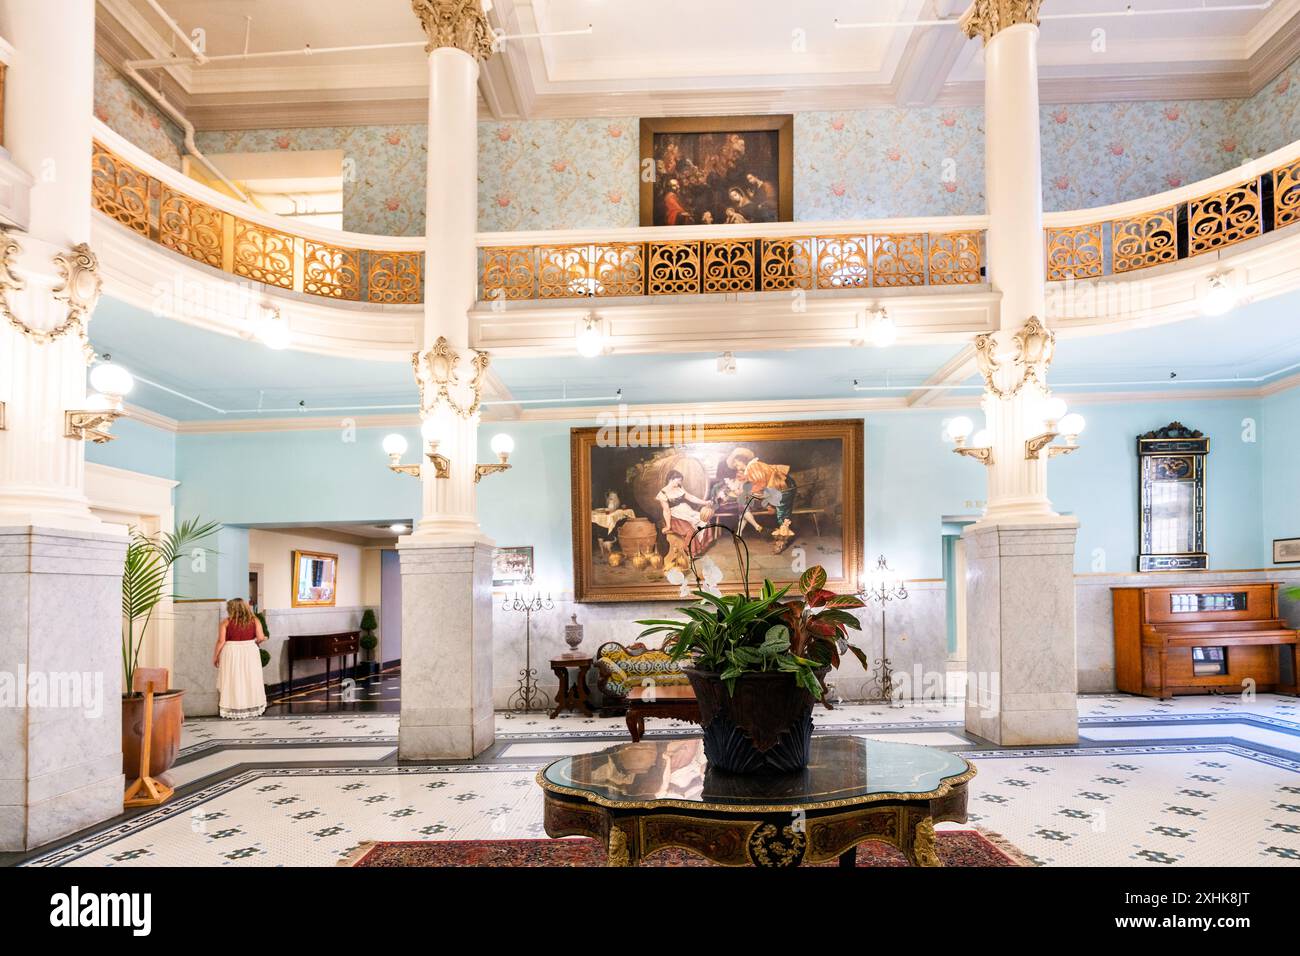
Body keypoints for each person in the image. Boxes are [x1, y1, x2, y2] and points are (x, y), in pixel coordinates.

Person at [213, 597, 268, 719]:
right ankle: (252, 705)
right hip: (250, 651)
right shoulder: (255, 620)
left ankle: (233, 707)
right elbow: (260, 637)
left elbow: (221, 641)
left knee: (232, 679)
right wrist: (260, 639)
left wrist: (215, 656)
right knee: (251, 678)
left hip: (231, 651)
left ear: (231, 609)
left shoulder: (226, 622)